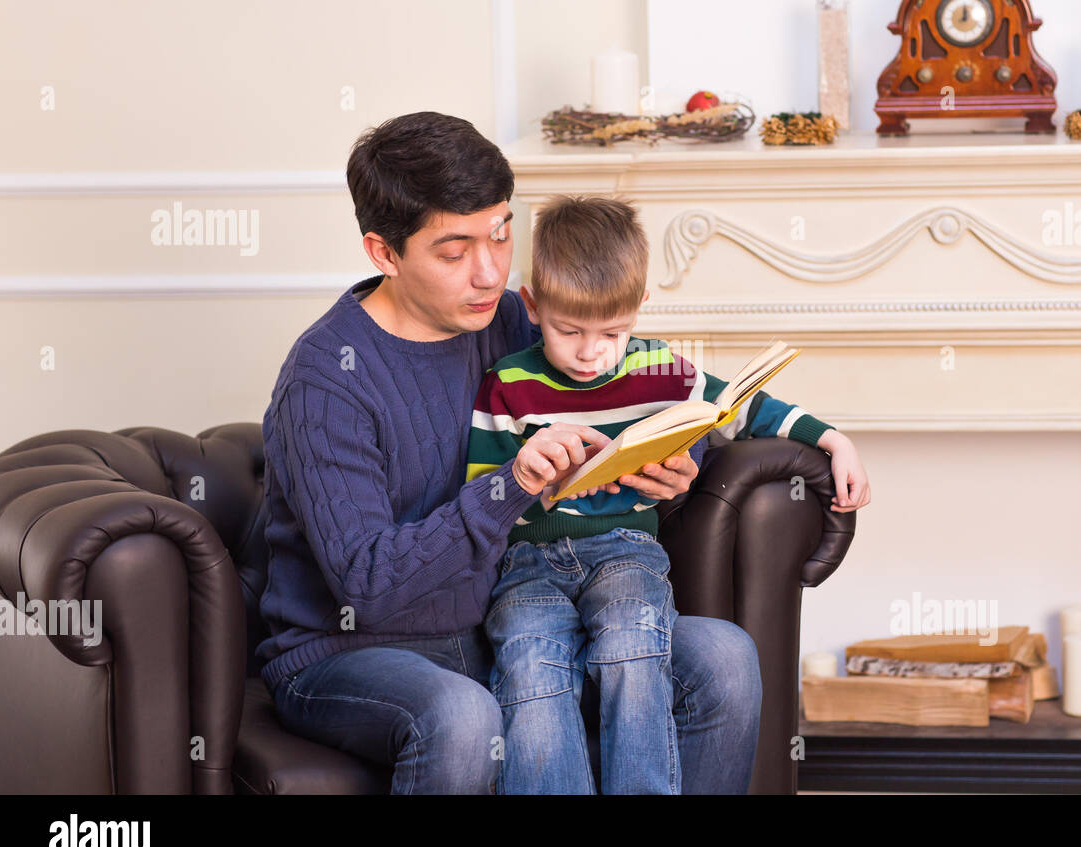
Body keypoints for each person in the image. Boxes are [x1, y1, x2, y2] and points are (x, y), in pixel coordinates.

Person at [255, 111, 768, 793]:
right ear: (384, 254)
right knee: (464, 717)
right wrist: (510, 484)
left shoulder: (505, 321)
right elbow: (369, 588)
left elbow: (621, 382)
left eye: (501, 233)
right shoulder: (326, 381)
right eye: (454, 250)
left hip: (505, 619)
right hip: (352, 652)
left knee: (724, 659)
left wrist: (678, 460)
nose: (490, 270)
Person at [467, 195, 870, 794]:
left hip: (625, 549)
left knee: (635, 645)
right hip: (528, 565)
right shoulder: (507, 384)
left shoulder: (658, 368)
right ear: (532, 306)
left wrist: (833, 440)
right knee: (530, 669)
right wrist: (530, 479)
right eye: (568, 329)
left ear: (639, 310)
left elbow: (745, 410)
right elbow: (482, 493)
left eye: (613, 331)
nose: (590, 352)